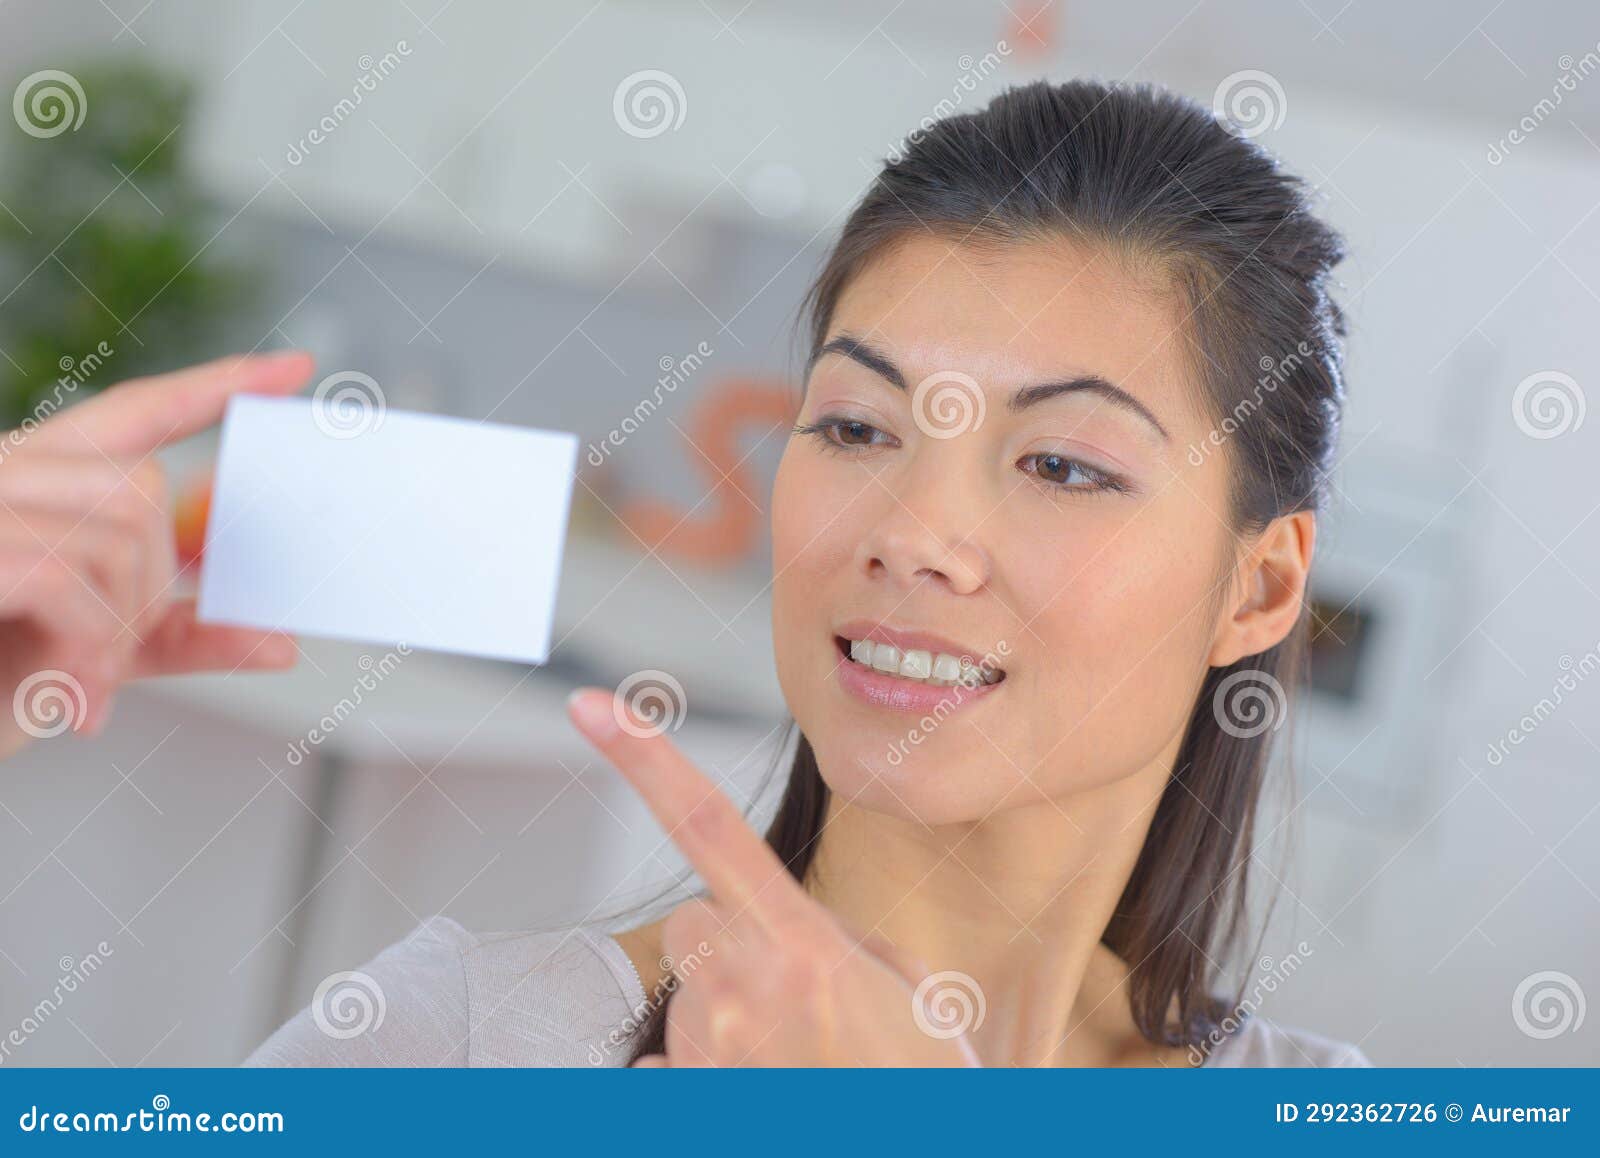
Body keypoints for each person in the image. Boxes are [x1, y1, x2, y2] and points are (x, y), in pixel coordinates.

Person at [5, 79, 1370, 1067]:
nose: (912, 532)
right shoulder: (448, 1049)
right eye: (854, 425)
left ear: (1257, 589)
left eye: (1064, 464)